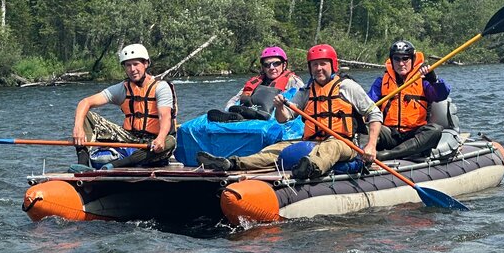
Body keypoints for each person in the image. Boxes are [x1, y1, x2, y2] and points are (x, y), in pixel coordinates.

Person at [197, 44, 383, 181]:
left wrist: (371, 145)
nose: (318, 68)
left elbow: (374, 114)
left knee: (330, 147)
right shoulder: (306, 91)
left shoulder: (347, 87)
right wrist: (279, 107)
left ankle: (309, 169)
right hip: (311, 141)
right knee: (275, 149)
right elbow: (283, 119)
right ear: (309, 68)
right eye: (314, 65)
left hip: (343, 142)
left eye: (323, 64)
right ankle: (233, 163)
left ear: (332, 65)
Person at [70, 43, 177, 171]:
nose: (132, 69)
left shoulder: (161, 87)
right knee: (85, 115)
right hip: (129, 138)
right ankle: (83, 165)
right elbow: (85, 102)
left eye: (136, 64)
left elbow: (164, 116)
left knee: (170, 141)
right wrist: (78, 128)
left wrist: (160, 138)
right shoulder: (122, 88)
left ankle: (118, 164)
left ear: (146, 64)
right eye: (128, 65)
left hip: (153, 141)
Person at [367, 40, 451, 161]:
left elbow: (441, 95)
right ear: (391, 60)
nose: (401, 63)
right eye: (397, 59)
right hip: (390, 133)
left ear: (412, 59)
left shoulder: (423, 80)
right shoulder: (381, 82)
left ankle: (389, 155)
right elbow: (368, 104)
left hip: (414, 134)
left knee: (435, 130)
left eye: (405, 59)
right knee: (365, 128)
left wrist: (434, 80)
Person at [209, 45, 304, 122]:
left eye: (276, 63)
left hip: (276, 114)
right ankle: (235, 116)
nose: (271, 67)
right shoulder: (256, 81)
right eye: (267, 65)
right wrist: (229, 107)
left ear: (284, 65)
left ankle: (251, 116)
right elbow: (236, 98)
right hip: (251, 109)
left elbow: (302, 100)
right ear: (263, 67)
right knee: (235, 108)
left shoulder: (293, 80)